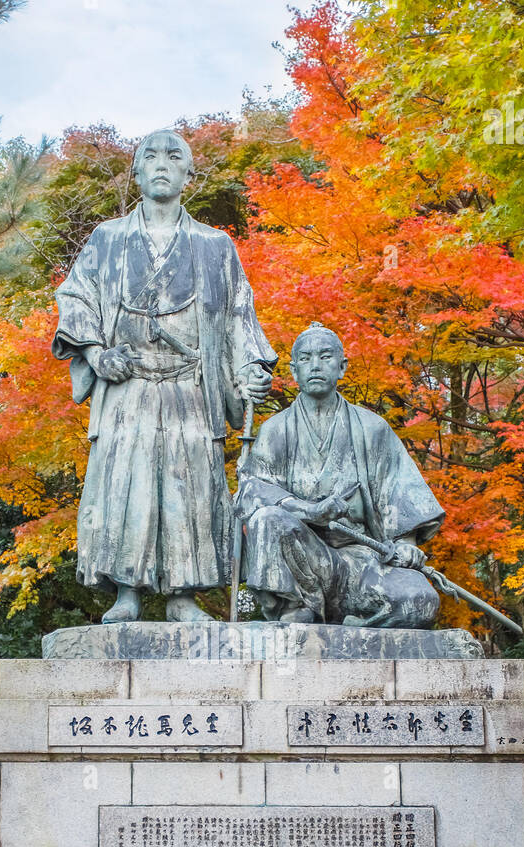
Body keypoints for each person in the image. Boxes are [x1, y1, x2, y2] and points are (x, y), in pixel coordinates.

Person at [51, 129, 276, 623]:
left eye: (174, 157)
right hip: (126, 383)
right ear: (134, 172)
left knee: (190, 485)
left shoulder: (216, 246)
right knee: (124, 481)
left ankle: (183, 597)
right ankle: (126, 592)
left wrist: (249, 373)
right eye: (149, 156)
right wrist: (93, 351)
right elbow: (75, 297)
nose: (161, 164)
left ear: (188, 175)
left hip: (190, 386)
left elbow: (239, 317)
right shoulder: (107, 239)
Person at [235, 323, 445, 627]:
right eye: (305, 359)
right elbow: (252, 494)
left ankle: (356, 626)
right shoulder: (275, 430)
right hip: (304, 556)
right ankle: (296, 607)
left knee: (422, 601)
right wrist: (311, 511)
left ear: (342, 367)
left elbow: (399, 493)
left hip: (362, 560)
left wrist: (407, 545)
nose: (316, 366)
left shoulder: (372, 429)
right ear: (293, 372)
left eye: (325, 357)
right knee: (267, 518)